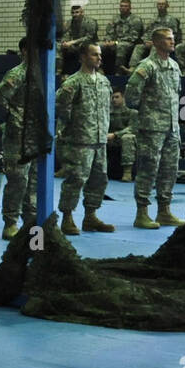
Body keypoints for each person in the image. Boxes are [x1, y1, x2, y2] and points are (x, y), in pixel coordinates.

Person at [125, 27, 185, 229]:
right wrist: (149, 112)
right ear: (157, 42)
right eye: (168, 39)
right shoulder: (146, 67)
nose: (172, 42)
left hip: (171, 128)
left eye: (173, 39)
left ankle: (164, 211)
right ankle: (142, 214)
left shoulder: (175, 66)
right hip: (151, 129)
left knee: (170, 169)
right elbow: (131, 97)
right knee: (148, 170)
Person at [55, 43, 115, 235]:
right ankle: (67, 217)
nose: (99, 58)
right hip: (80, 140)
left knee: (99, 179)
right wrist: (72, 128)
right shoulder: (73, 82)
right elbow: (61, 108)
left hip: (99, 139)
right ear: (82, 57)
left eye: (100, 55)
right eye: (94, 54)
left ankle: (90, 216)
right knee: (76, 179)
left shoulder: (104, 81)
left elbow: (108, 109)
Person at [0, 37, 37, 240]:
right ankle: (10, 223)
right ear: (24, 51)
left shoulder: (42, 74)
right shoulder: (17, 73)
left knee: (34, 182)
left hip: (36, 136)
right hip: (17, 136)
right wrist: (13, 119)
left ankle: (31, 223)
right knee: (18, 180)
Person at [130, 0, 182, 68]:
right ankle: (133, 68)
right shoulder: (153, 20)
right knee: (138, 47)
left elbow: (173, 35)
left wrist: (156, 43)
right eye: (159, 4)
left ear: (167, 6)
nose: (160, 6)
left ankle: (152, 68)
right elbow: (147, 33)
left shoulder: (172, 20)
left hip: (164, 44)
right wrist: (146, 41)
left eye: (163, 4)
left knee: (155, 47)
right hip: (152, 42)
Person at [101, 0, 143, 76]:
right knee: (98, 46)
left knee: (121, 46)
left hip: (130, 44)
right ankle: (99, 69)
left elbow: (134, 37)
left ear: (130, 8)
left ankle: (119, 73)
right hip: (115, 43)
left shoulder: (136, 19)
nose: (123, 8)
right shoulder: (115, 19)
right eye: (121, 6)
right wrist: (108, 41)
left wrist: (116, 42)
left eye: (125, 6)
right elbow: (109, 32)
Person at [59, 3, 99, 77]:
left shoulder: (90, 22)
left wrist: (72, 42)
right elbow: (66, 34)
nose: (74, 14)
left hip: (90, 44)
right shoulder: (69, 22)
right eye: (73, 13)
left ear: (82, 13)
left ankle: (87, 72)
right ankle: (64, 72)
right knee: (61, 47)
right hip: (75, 44)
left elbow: (89, 37)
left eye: (77, 12)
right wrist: (64, 42)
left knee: (83, 46)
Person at [107, 89, 137, 183]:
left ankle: (127, 173)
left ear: (123, 98)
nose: (114, 100)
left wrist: (116, 134)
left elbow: (133, 128)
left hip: (128, 142)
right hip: (110, 140)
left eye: (117, 97)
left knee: (127, 137)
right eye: (112, 97)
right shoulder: (107, 114)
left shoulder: (132, 113)